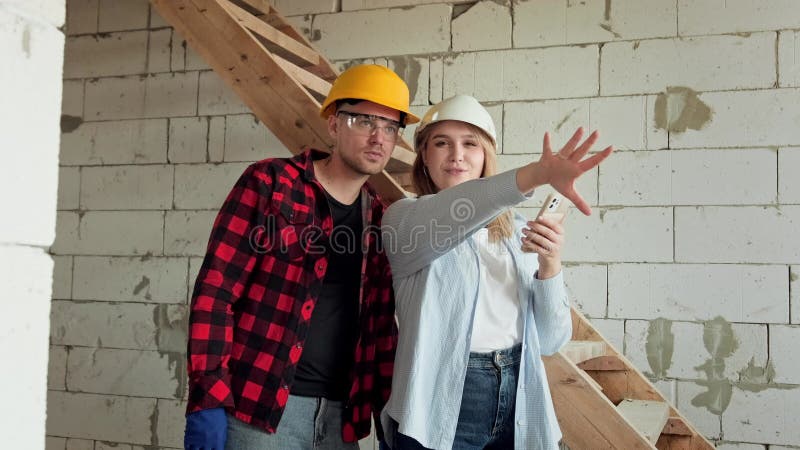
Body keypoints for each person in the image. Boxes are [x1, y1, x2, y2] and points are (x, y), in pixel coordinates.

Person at [183, 64, 419, 450]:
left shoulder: (381, 219)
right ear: (334, 124)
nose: (378, 137)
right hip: (260, 413)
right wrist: (207, 397)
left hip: (341, 420)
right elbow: (216, 293)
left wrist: (387, 416)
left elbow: (380, 331)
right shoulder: (270, 184)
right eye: (364, 121)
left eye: (390, 127)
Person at [379, 95, 613, 450]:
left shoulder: (516, 231)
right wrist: (537, 174)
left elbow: (551, 340)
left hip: (517, 392)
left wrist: (550, 264)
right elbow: (458, 209)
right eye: (441, 143)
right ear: (424, 156)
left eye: (470, 143)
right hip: (442, 400)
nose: (457, 155)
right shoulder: (404, 220)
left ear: (486, 154)